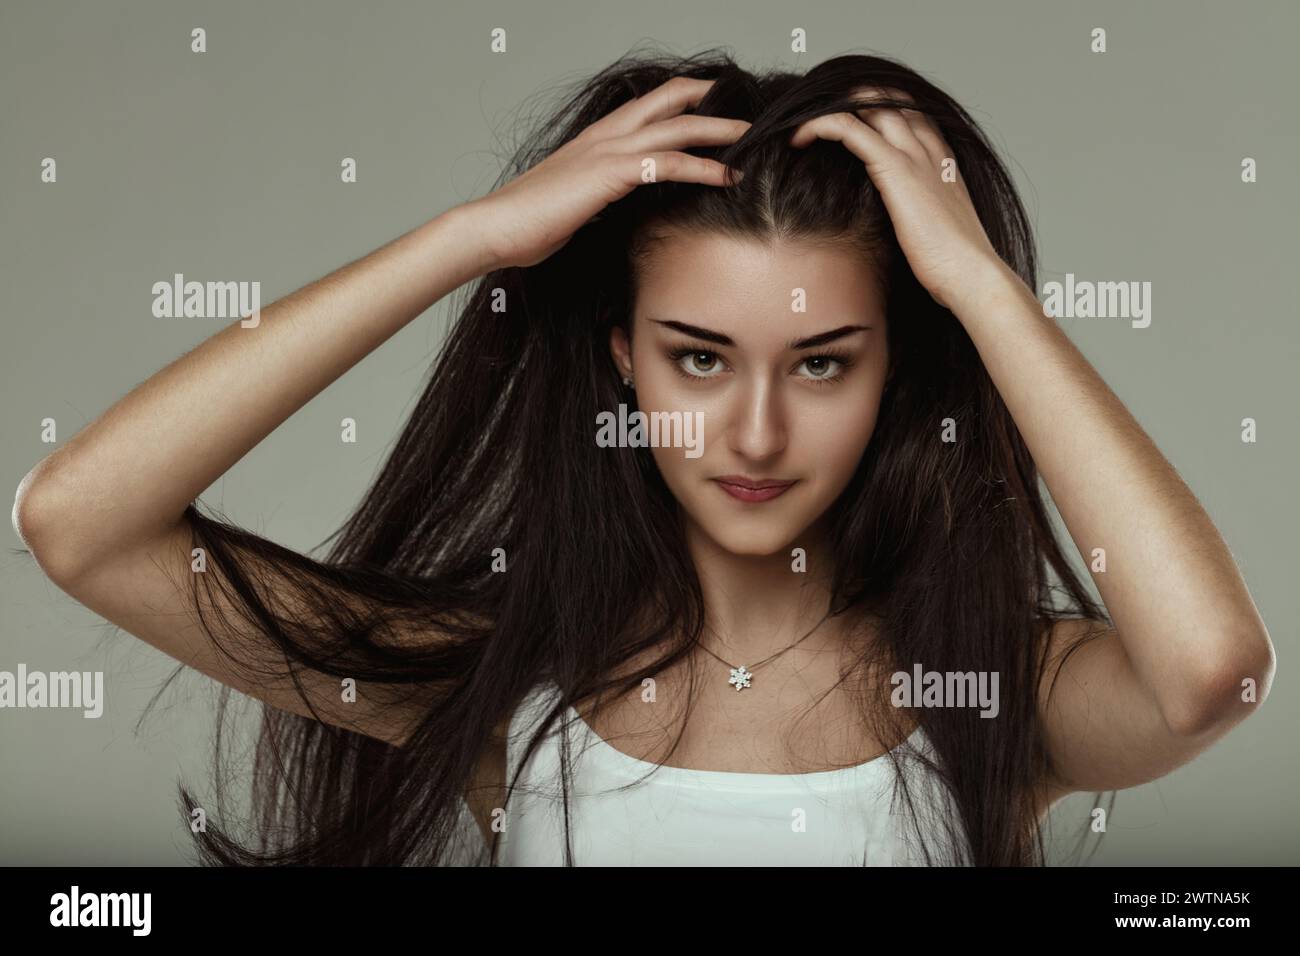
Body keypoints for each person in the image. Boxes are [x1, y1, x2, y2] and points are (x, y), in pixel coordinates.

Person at [12, 48, 1275, 866]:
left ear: (899, 372)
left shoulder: (991, 693)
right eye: (700, 358)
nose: (757, 433)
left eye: (824, 360)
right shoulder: (509, 687)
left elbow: (1209, 671)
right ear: (622, 356)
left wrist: (978, 289)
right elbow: (79, 521)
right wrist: (471, 240)